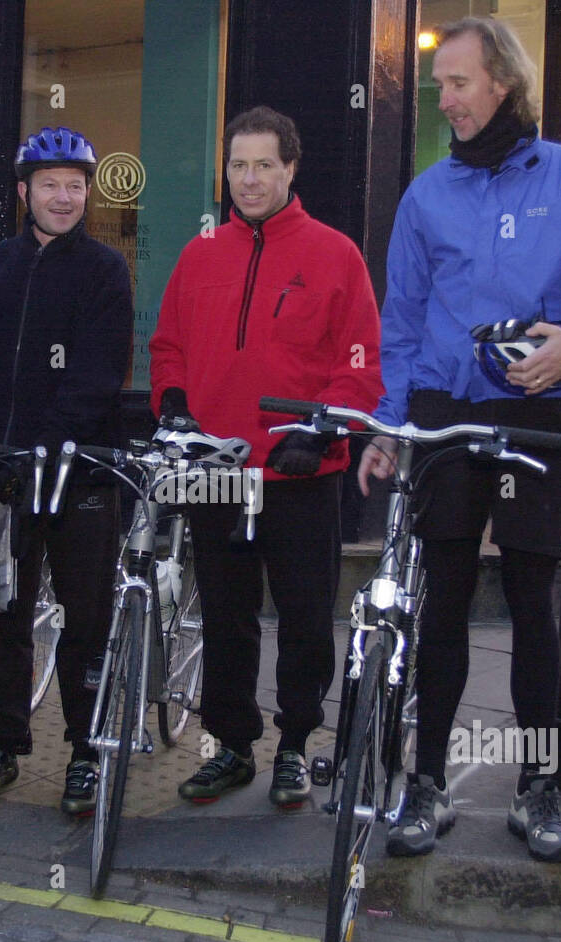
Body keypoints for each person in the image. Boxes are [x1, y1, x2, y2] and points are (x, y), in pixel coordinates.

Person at [359, 17, 561, 861]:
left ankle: (538, 789)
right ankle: (425, 786)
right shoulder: (426, 194)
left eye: (457, 82)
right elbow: (403, 321)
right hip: (449, 410)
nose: (443, 98)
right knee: (440, 602)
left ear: (503, 84)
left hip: (537, 410)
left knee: (535, 606)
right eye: (439, 84)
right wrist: (393, 424)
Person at [150, 106, 382, 808]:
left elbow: (361, 361)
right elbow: (168, 348)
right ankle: (230, 746)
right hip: (218, 470)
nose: (248, 179)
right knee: (224, 614)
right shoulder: (200, 254)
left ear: (291, 169)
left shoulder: (335, 253)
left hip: (301, 471)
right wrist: (176, 405)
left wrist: (326, 429)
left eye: (263, 165)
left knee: (307, 616)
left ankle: (295, 744)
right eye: (238, 165)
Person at [0, 126, 129, 815]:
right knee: (4, 611)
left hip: (77, 475)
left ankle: (86, 750)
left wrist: (50, 442)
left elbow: (98, 374)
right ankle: (1, 744)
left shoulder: (105, 270)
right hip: (0, 470)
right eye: (50, 184)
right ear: (24, 191)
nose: (63, 197)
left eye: (76, 185)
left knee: (87, 618)